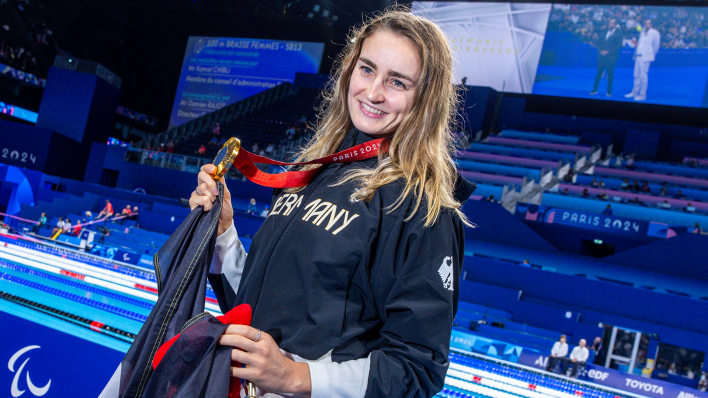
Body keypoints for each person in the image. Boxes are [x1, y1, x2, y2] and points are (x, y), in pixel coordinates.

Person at [189, 10, 475, 397]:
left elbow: (416, 371)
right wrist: (223, 234)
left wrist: (293, 376)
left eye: (397, 82)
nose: (373, 92)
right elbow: (261, 307)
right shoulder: (313, 172)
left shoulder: (423, 210)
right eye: (367, 69)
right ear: (348, 71)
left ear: (425, 98)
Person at [625, 19, 660, 101]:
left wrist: (650, 55)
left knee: (643, 76)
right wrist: (636, 54)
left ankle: (642, 95)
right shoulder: (642, 32)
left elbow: (656, 46)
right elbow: (639, 44)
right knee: (636, 75)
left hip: (646, 58)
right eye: (645, 23)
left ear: (651, 25)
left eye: (648, 24)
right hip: (638, 56)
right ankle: (634, 92)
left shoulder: (655, 33)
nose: (646, 25)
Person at [590, 19, 623, 97]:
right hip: (601, 56)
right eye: (609, 22)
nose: (609, 24)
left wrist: (608, 52)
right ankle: (594, 90)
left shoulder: (619, 33)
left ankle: (609, 92)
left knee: (610, 74)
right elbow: (597, 42)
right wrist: (600, 50)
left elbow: (618, 46)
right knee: (598, 73)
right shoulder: (604, 31)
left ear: (615, 24)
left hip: (611, 57)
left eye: (611, 23)